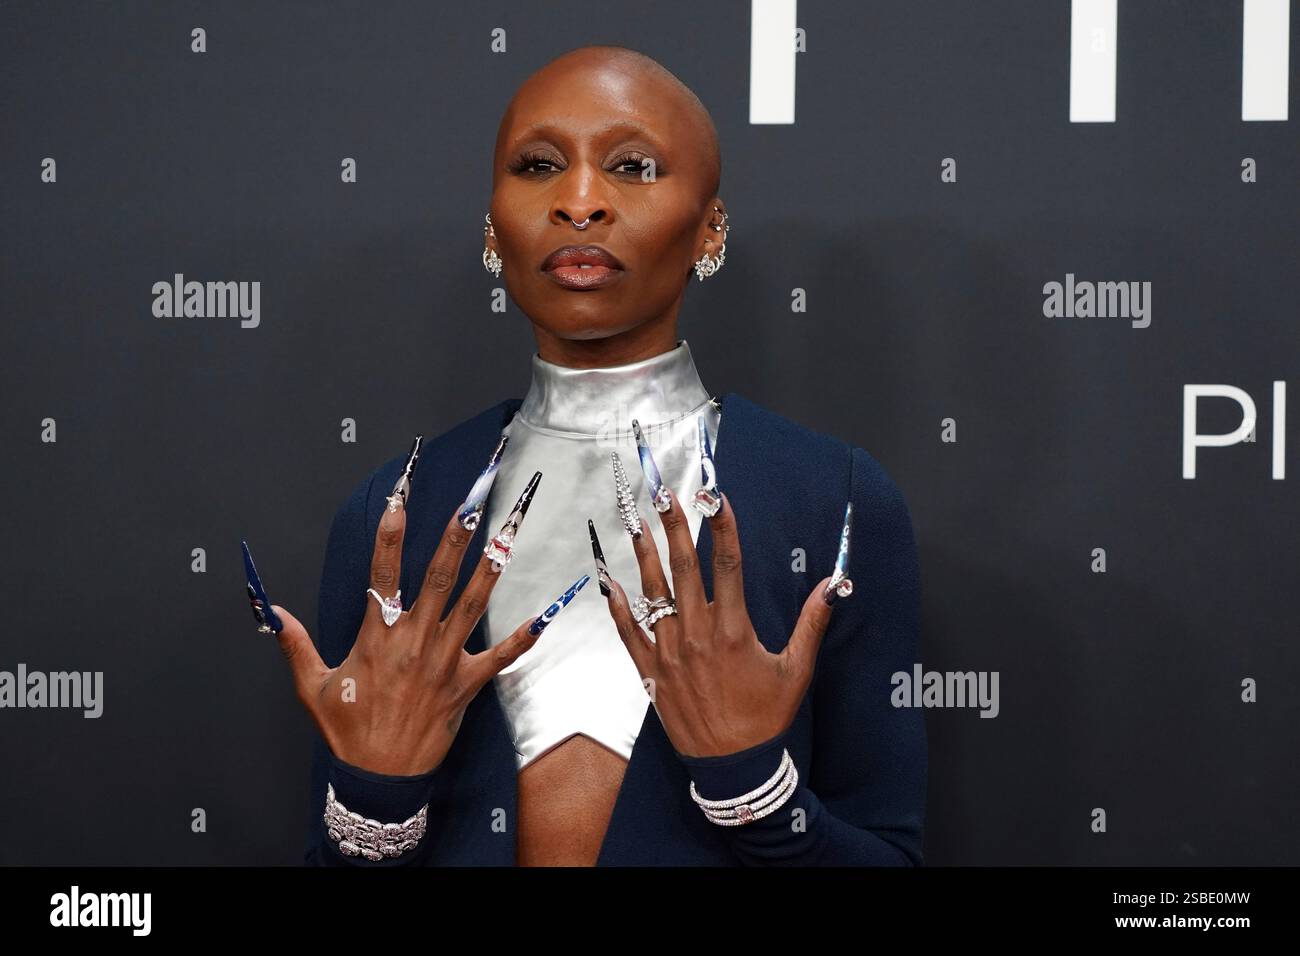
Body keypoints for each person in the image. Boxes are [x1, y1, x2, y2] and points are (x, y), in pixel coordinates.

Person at [242, 44, 927, 866]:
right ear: (493, 225)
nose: (578, 202)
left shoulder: (832, 498)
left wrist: (752, 789)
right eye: (538, 166)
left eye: (632, 166)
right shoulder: (397, 511)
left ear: (711, 226)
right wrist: (376, 803)